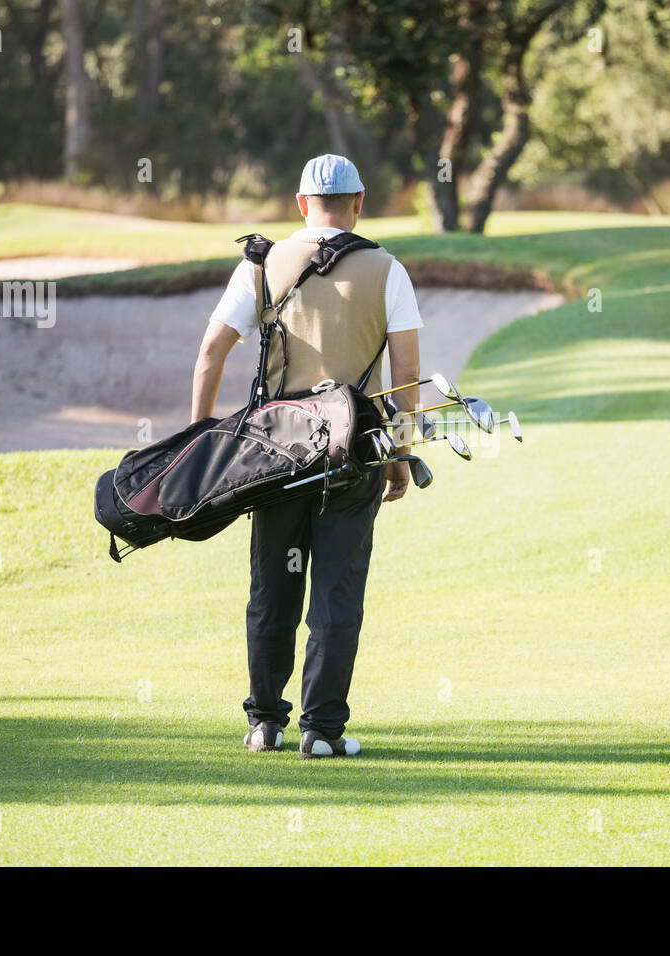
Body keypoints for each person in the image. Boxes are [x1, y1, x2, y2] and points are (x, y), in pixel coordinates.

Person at [190, 154, 423, 758]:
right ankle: (322, 732)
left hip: (276, 457)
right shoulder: (388, 269)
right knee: (336, 595)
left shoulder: (262, 264)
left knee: (274, 589)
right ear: (359, 202)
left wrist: (202, 444)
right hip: (356, 455)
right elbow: (408, 375)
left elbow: (212, 351)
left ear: (300, 205)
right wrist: (401, 455)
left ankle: (264, 723)